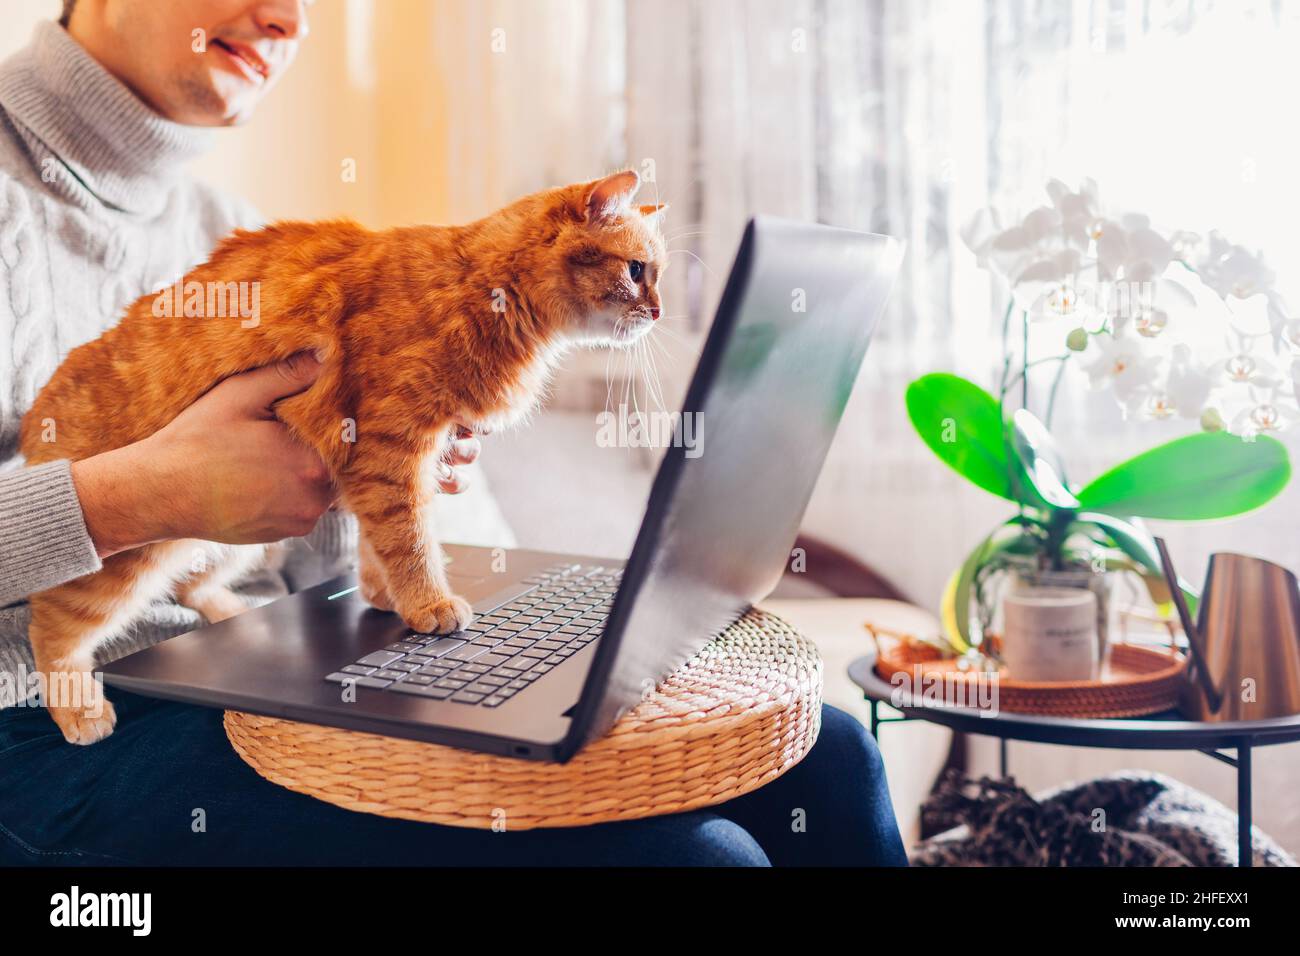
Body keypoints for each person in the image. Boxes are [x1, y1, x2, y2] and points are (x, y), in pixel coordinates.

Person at [0, 0, 908, 866]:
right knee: (694, 859)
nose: (291, 21)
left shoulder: (231, 229)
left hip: (248, 660)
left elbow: (310, 525)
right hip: (43, 720)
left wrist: (386, 481)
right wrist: (139, 494)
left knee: (833, 758)